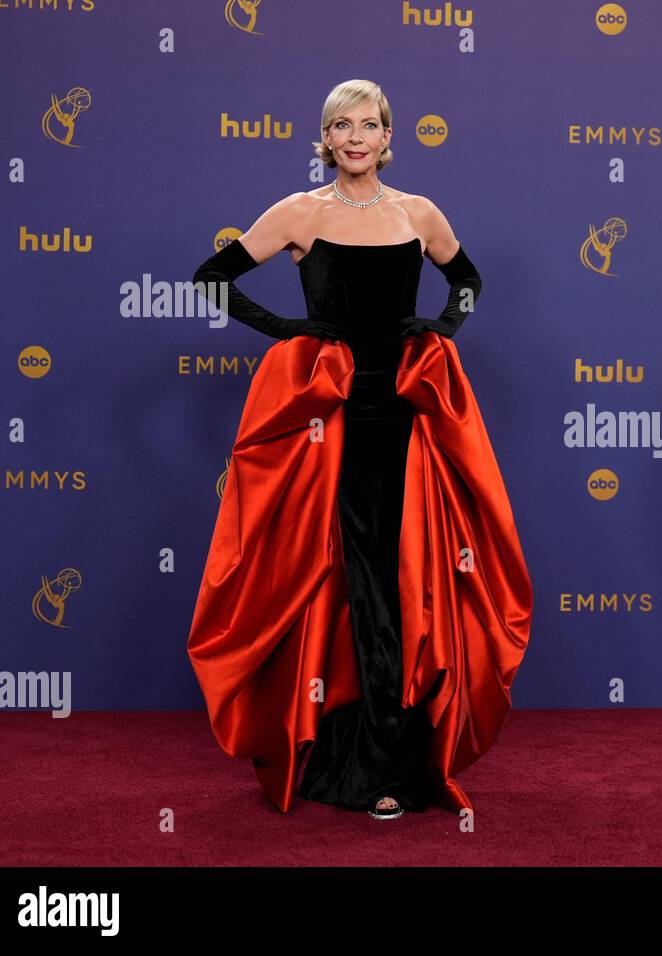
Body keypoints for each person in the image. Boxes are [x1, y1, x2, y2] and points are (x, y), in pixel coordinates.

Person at [187, 79, 532, 819]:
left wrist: (442, 328)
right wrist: (291, 333)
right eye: (341, 126)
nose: (354, 138)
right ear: (326, 138)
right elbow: (210, 278)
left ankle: (396, 756)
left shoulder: (418, 213)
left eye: (367, 125)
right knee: (354, 583)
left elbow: (466, 279)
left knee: (406, 582)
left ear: (387, 137)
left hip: (407, 420)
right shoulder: (300, 212)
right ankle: (368, 766)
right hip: (331, 425)